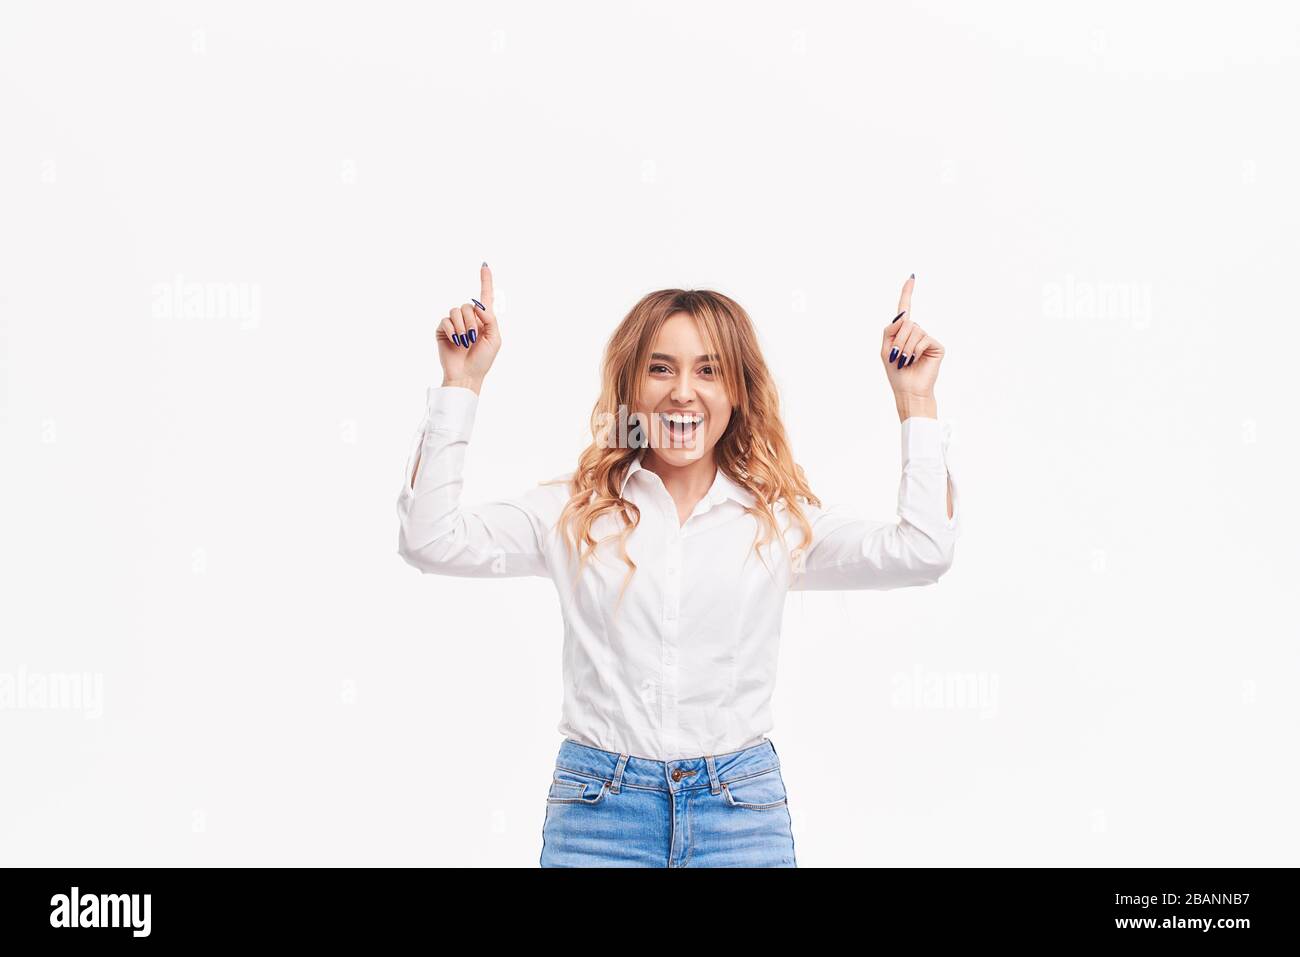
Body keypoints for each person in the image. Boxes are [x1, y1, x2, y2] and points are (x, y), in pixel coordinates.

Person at [397, 263, 959, 867]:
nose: (683, 391)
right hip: (598, 815)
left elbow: (924, 550)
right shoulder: (572, 512)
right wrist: (461, 383)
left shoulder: (777, 522)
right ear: (630, 387)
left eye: (708, 370)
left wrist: (915, 399)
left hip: (740, 814)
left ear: (738, 390)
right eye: (660, 368)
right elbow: (429, 540)